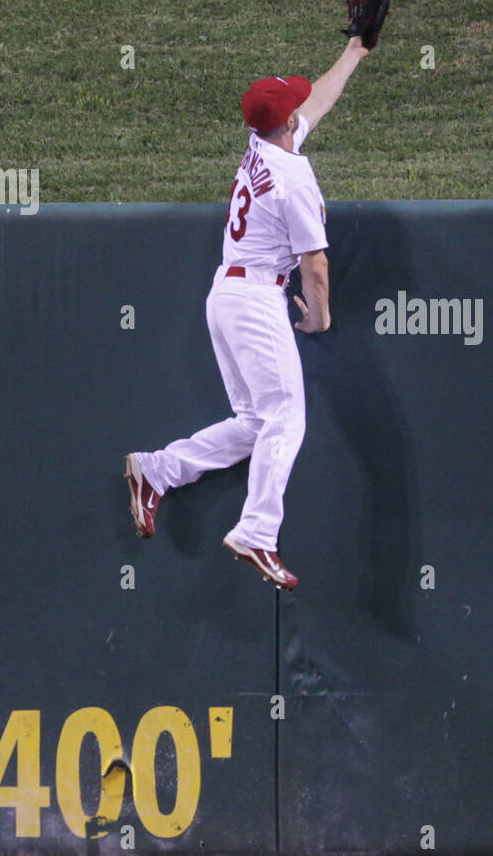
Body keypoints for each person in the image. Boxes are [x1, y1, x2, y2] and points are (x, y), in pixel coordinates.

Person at [125, 35, 371, 589]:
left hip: (227, 296)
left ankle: (158, 470)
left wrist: (356, 50)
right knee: (287, 419)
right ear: (284, 126)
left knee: (258, 423)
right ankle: (257, 532)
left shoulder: (264, 145)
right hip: (258, 299)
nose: (299, 111)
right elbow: (316, 266)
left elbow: (316, 105)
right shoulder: (293, 177)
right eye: (292, 108)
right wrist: (321, 317)